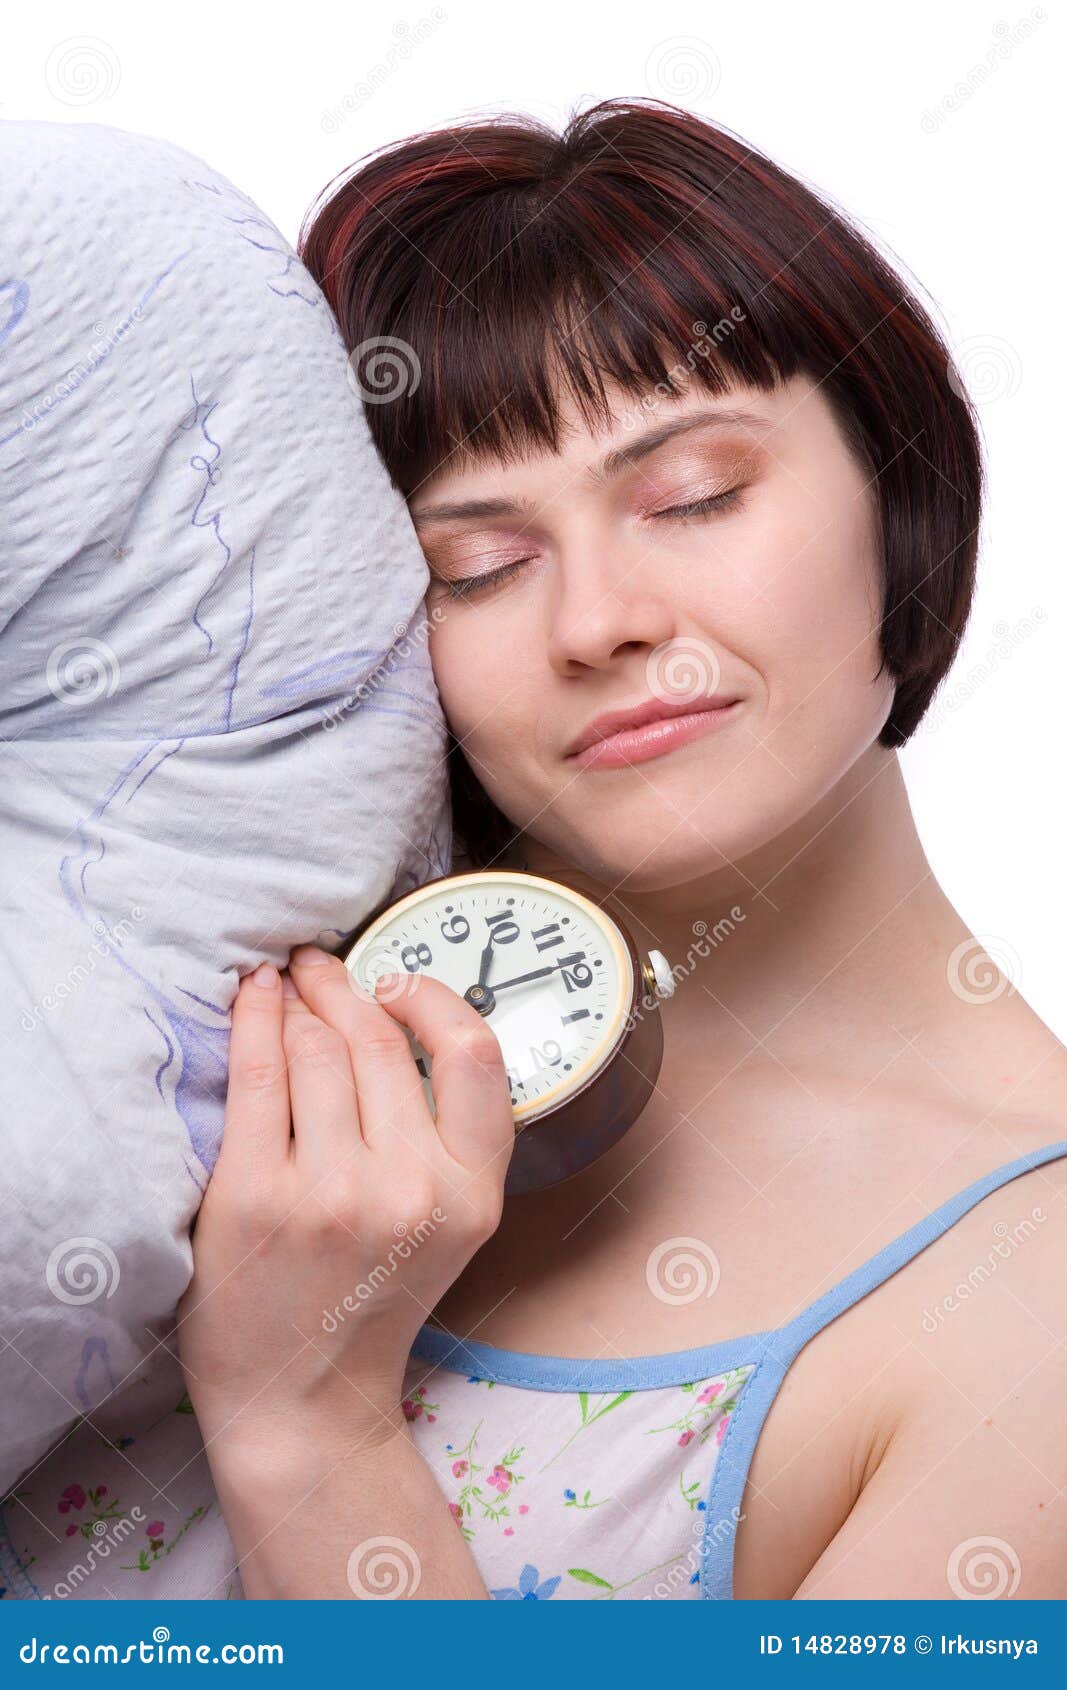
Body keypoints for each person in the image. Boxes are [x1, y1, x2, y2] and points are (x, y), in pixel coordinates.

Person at [176, 99, 1067, 1600]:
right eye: (475, 566)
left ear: (903, 489)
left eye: (695, 496)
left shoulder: (1031, 1291)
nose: (597, 621)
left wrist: (307, 1418)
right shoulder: (199, 1014)